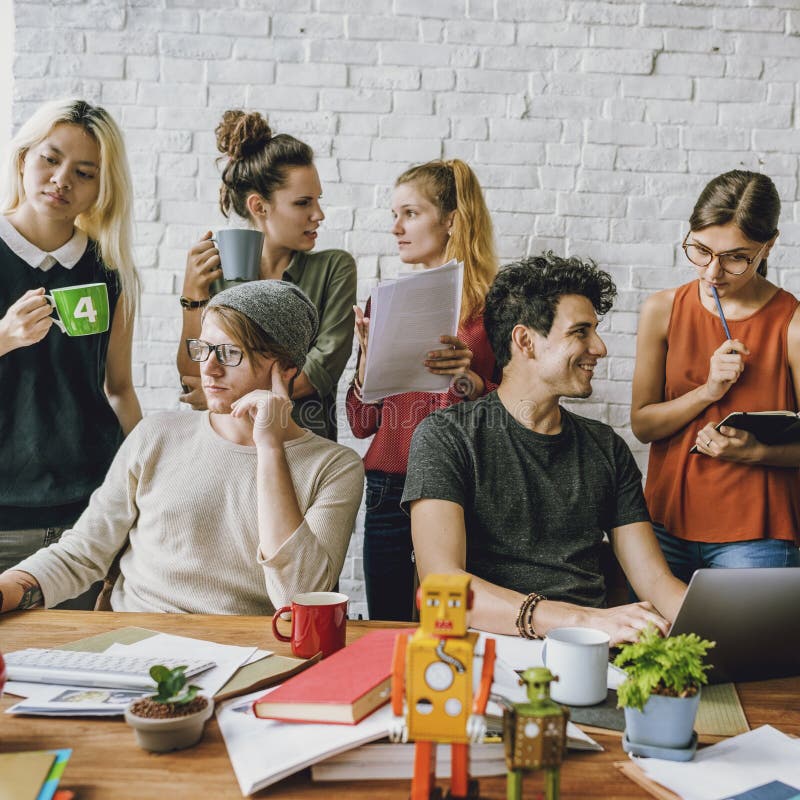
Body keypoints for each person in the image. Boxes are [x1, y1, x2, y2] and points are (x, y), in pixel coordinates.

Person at [0, 281, 364, 615]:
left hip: (244, 659)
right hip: (131, 646)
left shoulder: (334, 467)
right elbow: (82, 553)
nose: (209, 368)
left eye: (230, 353)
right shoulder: (157, 434)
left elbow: (298, 598)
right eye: (203, 348)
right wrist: (7, 591)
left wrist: (269, 447)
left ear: (286, 368)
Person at [401, 254, 687, 645]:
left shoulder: (607, 448)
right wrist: (582, 620)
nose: (599, 348)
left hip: (593, 650)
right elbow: (442, 586)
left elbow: (654, 580)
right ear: (525, 341)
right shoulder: (446, 437)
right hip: (488, 651)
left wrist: (724, 625)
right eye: (581, 332)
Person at [0, 99, 141, 607]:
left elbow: (119, 389)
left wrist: (136, 502)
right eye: (50, 159)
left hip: (85, 521)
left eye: (84, 172)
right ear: (22, 158)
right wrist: (4, 337)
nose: (61, 180)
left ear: (102, 187)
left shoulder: (108, 268)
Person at [345, 159, 498, 621]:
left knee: (451, 623)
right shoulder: (385, 301)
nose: (396, 228)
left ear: (451, 219)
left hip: (464, 484)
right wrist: (368, 365)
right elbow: (360, 422)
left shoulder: (495, 307)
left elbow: (521, 411)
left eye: (409, 213)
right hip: (389, 486)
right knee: (387, 625)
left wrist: (468, 380)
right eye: (395, 215)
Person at [631, 170, 800, 579]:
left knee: (744, 647)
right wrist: (707, 391)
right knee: (651, 645)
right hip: (663, 524)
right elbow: (642, 425)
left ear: (769, 245)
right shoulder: (662, 309)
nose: (711, 272)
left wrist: (755, 453)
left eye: (735, 258)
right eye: (701, 250)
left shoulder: (792, 324)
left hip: (757, 536)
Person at [177, 109, 356, 441]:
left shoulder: (333, 269)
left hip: (300, 447)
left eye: (317, 200)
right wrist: (192, 296)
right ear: (259, 206)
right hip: (225, 446)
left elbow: (319, 373)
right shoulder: (215, 274)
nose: (319, 214)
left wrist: (222, 391)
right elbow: (192, 377)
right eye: (303, 203)